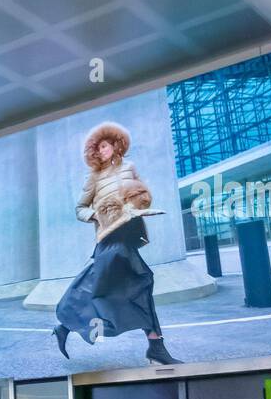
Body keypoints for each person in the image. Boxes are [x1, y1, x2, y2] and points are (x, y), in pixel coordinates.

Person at [53, 122, 180, 367]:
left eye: (104, 145)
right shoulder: (94, 177)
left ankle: (156, 346)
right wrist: (97, 215)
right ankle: (65, 325)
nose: (101, 151)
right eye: (97, 148)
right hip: (109, 239)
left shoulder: (130, 167)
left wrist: (141, 207)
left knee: (134, 285)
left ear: (114, 144)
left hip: (127, 235)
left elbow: (141, 196)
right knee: (101, 286)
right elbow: (80, 208)